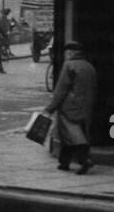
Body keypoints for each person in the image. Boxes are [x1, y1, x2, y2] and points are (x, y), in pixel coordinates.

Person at [41, 41, 97, 174]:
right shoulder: (89, 66)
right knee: (68, 135)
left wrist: (51, 108)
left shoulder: (69, 65)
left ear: (71, 52)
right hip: (85, 107)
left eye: (67, 52)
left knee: (73, 135)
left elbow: (61, 89)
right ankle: (64, 163)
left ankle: (85, 159)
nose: (66, 55)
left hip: (69, 107)